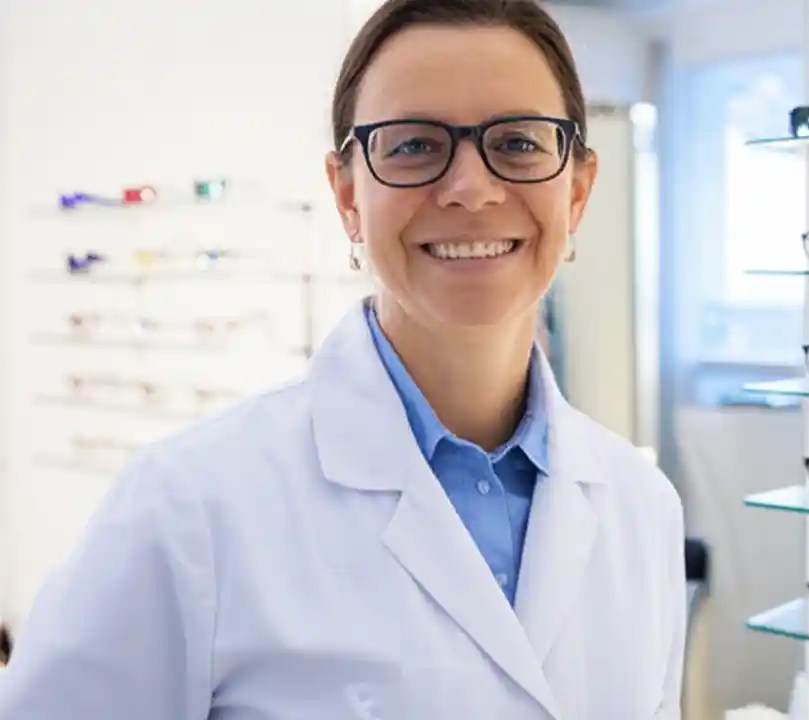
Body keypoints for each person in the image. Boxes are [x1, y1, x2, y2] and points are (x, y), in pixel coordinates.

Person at [0, 0, 687, 717]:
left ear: (577, 191)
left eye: (517, 143)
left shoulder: (642, 509)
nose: (472, 188)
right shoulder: (188, 508)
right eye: (414, 145)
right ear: (346, 195)